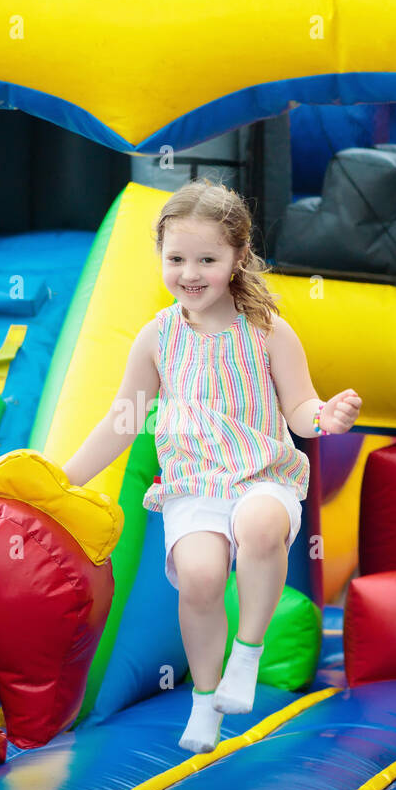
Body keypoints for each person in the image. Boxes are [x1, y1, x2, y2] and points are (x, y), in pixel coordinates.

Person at [63, 179, 361, 753]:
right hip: (194, 484)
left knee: (258, 527)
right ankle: (205, 699)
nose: (190, 273)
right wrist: (65, 478)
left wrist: (329, 417)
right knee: (199, 579)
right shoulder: (157, 337)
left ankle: (246, 657)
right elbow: (123, 420)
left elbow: (301, 411)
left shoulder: (268, 331)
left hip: (262, 474)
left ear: (237, 259)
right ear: (160, 256)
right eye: (176, 259)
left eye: (207, 259)